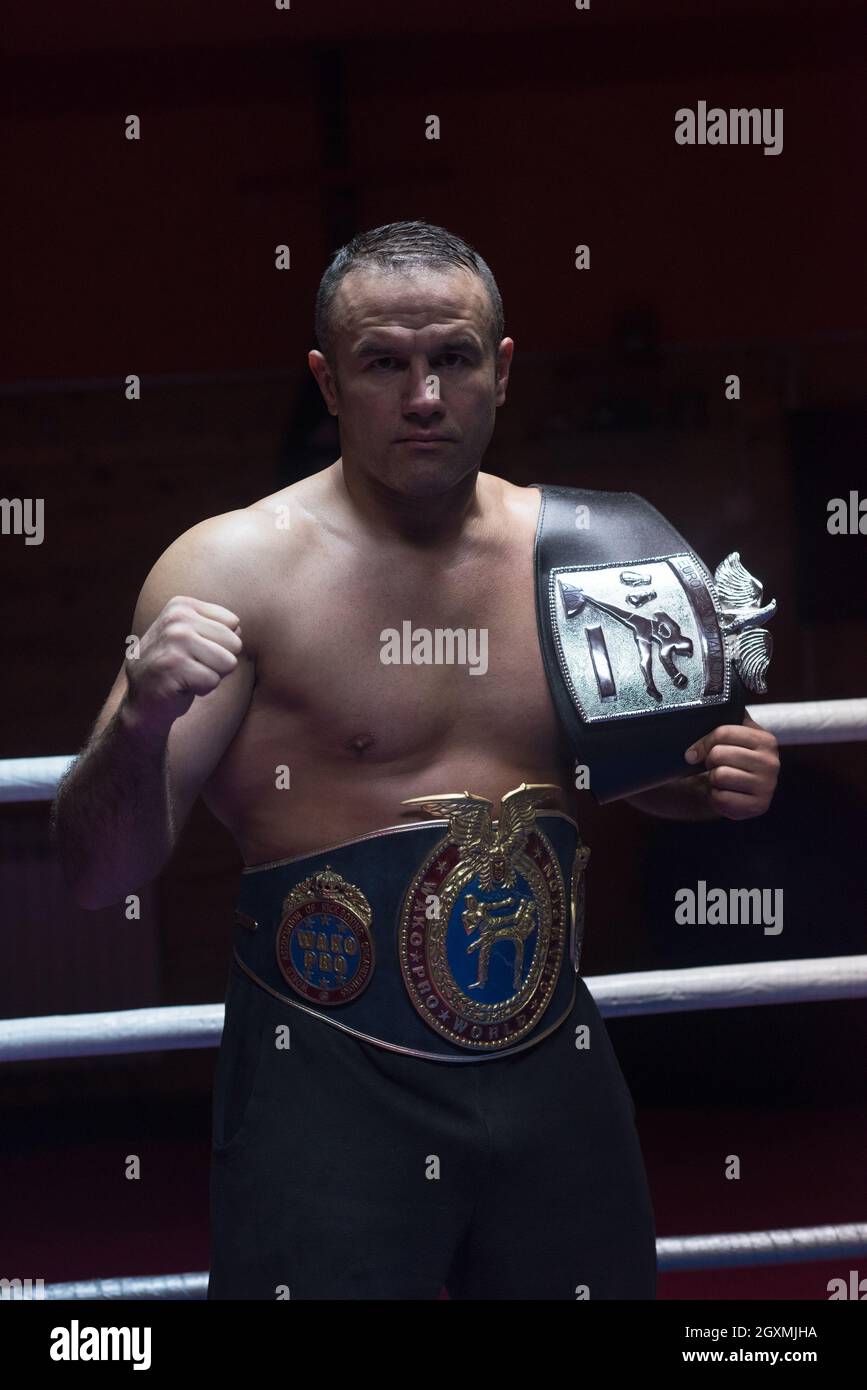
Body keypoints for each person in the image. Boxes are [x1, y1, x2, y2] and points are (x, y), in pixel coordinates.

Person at [51, 220, 780, 1300]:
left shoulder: (595, 557)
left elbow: (630, 773)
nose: (425, 395)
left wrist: (717, 780)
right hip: (325, 1074)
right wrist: (141, 719)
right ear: (328, 381)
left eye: (454, 358)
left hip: (550, 1061)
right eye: (385, 363)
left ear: (503, 368)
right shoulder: (236, 570)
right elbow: (95, 872)